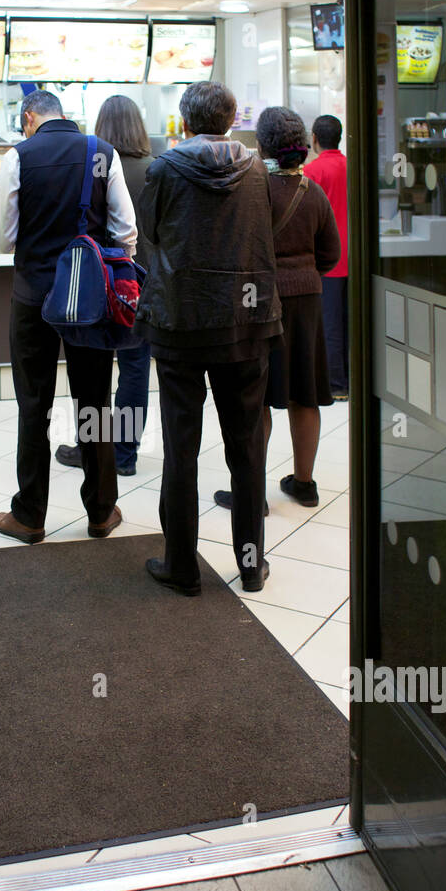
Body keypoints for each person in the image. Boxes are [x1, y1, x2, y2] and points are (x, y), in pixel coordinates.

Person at [135, 81, 282, 595]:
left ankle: (181, 567)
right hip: (247, 321)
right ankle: (250, 565)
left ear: (184, 120)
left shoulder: (164, 169)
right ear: (232, 117)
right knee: (247, 451)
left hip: (181, 320)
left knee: (181, 449)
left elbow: (148, 234)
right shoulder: (257, 170)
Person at [0, 89, 137, 544]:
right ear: (64, 115)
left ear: (30, 118)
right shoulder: (101, 152)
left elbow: (0, 238)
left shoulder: (19, 156)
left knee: (34, 405)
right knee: (94, 402)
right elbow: (126, 230)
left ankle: (30, 516)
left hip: (33, 297)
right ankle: (101, 511)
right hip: (89, 301)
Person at [214, 107, 340, 516]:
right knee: (306, 393)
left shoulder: (253, 190)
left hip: (261, 303)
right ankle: (304, 484)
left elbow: (237, 249)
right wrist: (301, 275)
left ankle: (254, 494)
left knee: (258, 397)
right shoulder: (314, 192)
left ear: (263, 145)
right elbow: (330, 255)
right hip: (307, 303)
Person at [55, 94, 155, 476]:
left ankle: (89, 449)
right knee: (135, 368)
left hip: (97, 282)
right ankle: (125, 456)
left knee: (92, 369)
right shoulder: (156, 169)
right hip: (141, 284)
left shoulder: (90, 167)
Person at [303, 114, 349, 399]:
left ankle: (337, 384)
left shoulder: (311, 172)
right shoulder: (353, 166)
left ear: (315, 139)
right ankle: (351, 376)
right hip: (355, 255)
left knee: (330, 322)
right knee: (349, 321)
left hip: (327, 258)